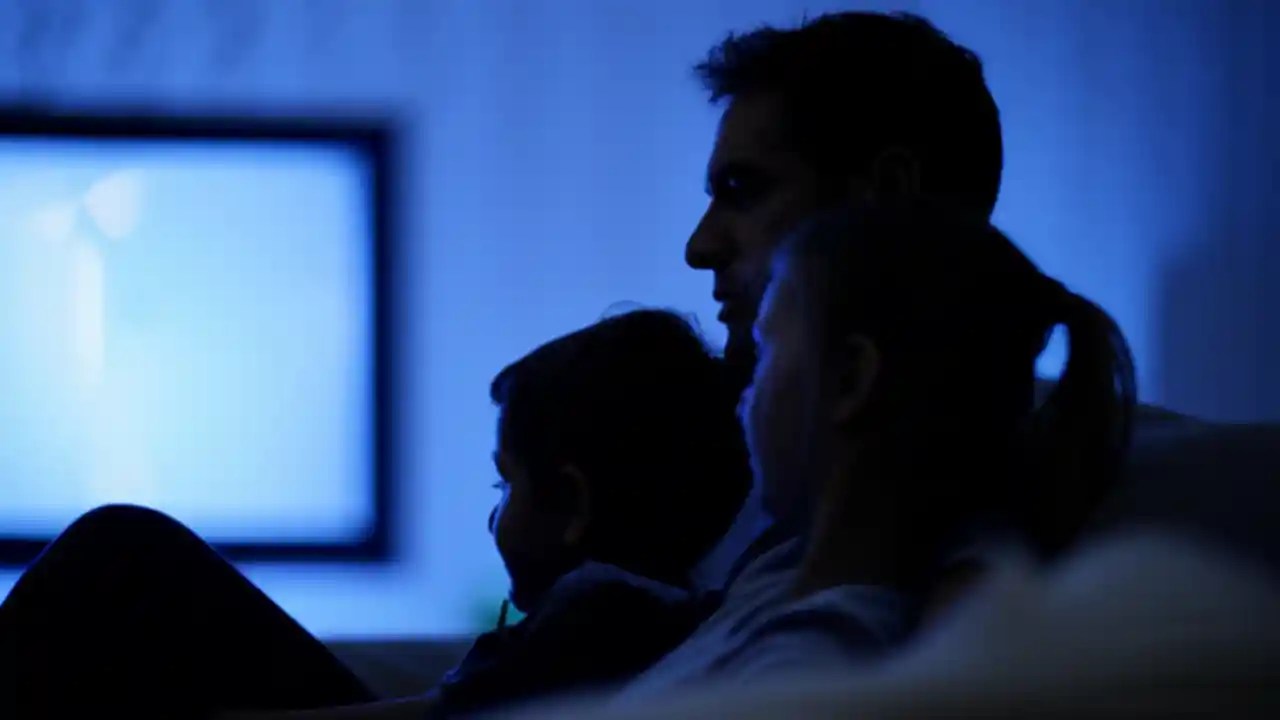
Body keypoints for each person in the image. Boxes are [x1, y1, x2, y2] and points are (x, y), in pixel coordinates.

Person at [0, 308, 751, 718]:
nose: (493, 519)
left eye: (505, 487)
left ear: (575, 504)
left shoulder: (597, 616)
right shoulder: (655, 615)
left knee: (124, 550)